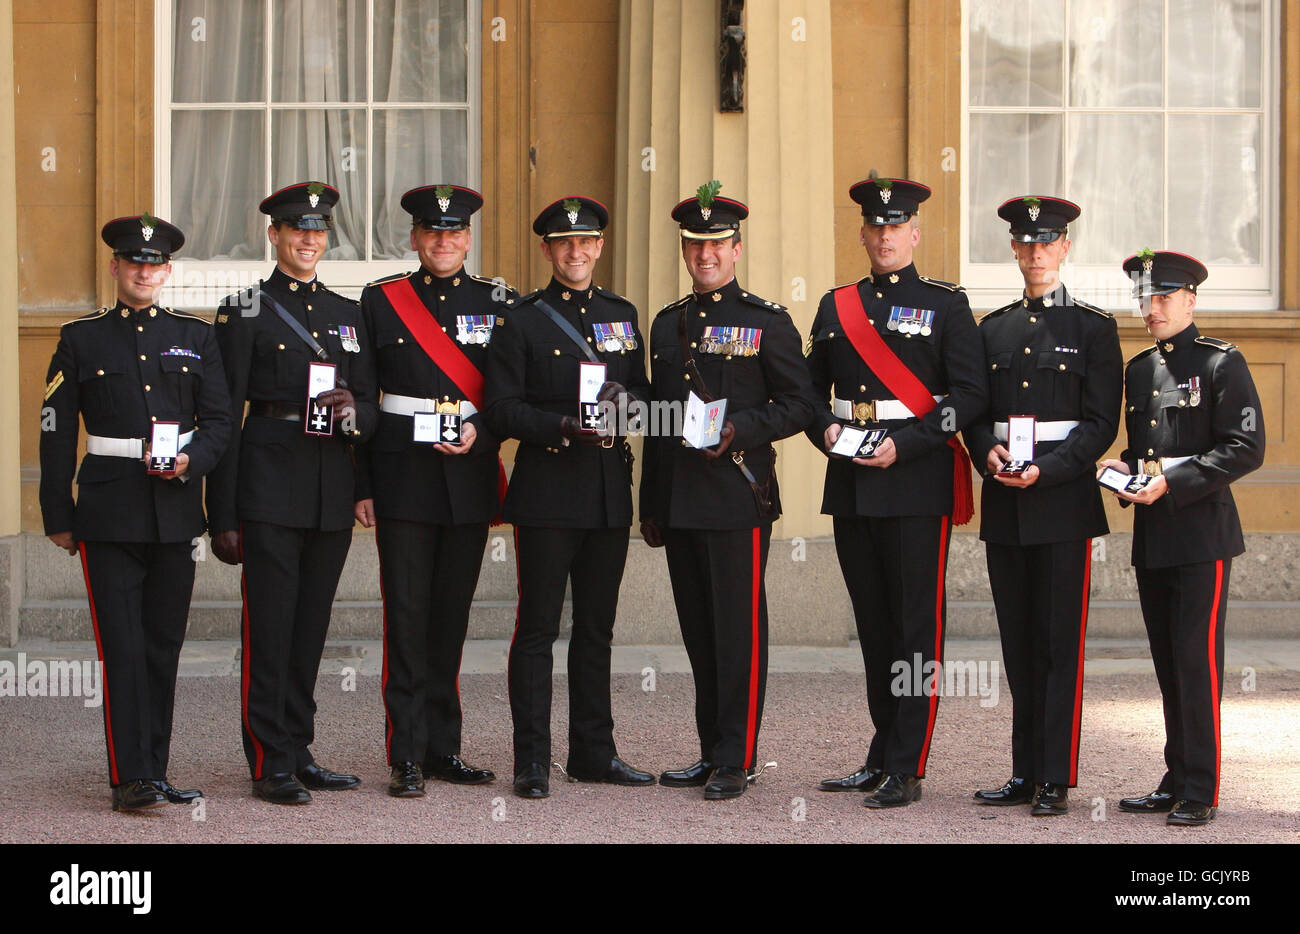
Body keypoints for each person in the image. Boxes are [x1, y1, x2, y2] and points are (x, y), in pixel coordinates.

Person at [39, 214, 232, 811]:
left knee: (162, 647)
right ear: (117, 267)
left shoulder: (195, 336)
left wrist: (192, 462)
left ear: (167, 271)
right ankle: (129, 778)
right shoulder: (81, 337)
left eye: (155, 264)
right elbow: (53, 430)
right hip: (107, 510)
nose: (144, 271)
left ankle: (156, 767)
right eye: (134, 262)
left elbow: (221, 422)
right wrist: (58, 514)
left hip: (174, 513)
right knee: (121, 648)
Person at [808, 176, 986, 808]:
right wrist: (825, 429)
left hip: (915, 482)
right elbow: (808, 393)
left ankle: (908, 765)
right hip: (852, 484)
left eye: (895, 227)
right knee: (875, 625)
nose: (884, 236)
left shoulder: (947, 304)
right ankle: (881, 752)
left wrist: (905, 444)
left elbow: (969, 397)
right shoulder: (836, 305)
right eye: (874, 227)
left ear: (914, 233)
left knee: (915, 629)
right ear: (862, 233)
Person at [206, 181, 379, 805]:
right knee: (271, 627)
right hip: (267, 485)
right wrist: (220, 511)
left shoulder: (346, 313)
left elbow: (372, 414)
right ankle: (268, 756)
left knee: (310, 628)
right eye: (295, 229)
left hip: (330, 487)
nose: (308, 239)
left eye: (318, 230)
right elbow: (223, 414)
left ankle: (300, 747)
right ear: (273, 235)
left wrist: (356, 428)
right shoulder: (244, 310)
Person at [641, 182, 816, 800]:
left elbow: (800, 405)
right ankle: (710, 747)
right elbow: (659, 422)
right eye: (695, 245)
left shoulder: (767, 321)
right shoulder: (665, 324)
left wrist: (741, 427)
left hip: (738, 496)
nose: (705, 255)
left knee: (736, 630)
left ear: (736, 249)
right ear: (685, 252)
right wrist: (650, 503)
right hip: (680, 498)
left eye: (716, 244)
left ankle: (735, 758)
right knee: (698, 631)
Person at [484, 195, 654, 799]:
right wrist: (557, 428)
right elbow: (500, 409)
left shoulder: (622, 313)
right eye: (563, 243)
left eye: (585, 242)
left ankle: (593, 752)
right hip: (549, 490)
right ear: (547, 250)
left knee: (597, 630)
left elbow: (643, 394)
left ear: (600, 247)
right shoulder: (522, 319)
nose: (575, 252)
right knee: (537, 629)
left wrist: (627, 406)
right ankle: (531, 759)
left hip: (608, 489)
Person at [961, 196, 1122, 816]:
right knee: (1018, 642)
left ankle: (1055, 775)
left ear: (1064, 248)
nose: (1034, 253)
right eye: (1024, 244)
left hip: (1062, 503)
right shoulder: (992, 327)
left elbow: (1101, 422)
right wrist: (987, 455)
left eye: (1045, 243)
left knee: (1058, 644)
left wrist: (1046, 470)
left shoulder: (1093, 328)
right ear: (1013, 250)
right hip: (1006, 502)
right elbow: (974, 411)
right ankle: (1023, 771)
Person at [1099, 250, 1264, 827]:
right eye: (1145, 298)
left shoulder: (1222, 363)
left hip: (1202, 534)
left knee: (1197, 662)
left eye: (1164, 297)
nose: (1152, 308)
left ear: (1191, 300)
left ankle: (1202, 785)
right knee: (1169, 663)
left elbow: (1245, 447)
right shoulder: (1140, 368)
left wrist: (1169, 482)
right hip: (1155, 533)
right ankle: (1176, 775)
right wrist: (1125, 475)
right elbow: (1142, 449)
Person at [354, 185, 509, 797]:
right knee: (408, 615)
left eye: (454, 232)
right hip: (402, 476)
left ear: (468, 239)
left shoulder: (499, 301)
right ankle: (406, 753)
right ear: (415, 238)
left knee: (451, 618)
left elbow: (507, 393)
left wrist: (484, 431)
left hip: (467, 478)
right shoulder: (382, 300)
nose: (444, 241)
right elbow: (364, 395)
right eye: (432, 232)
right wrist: (362, 485)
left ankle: (444, 747)